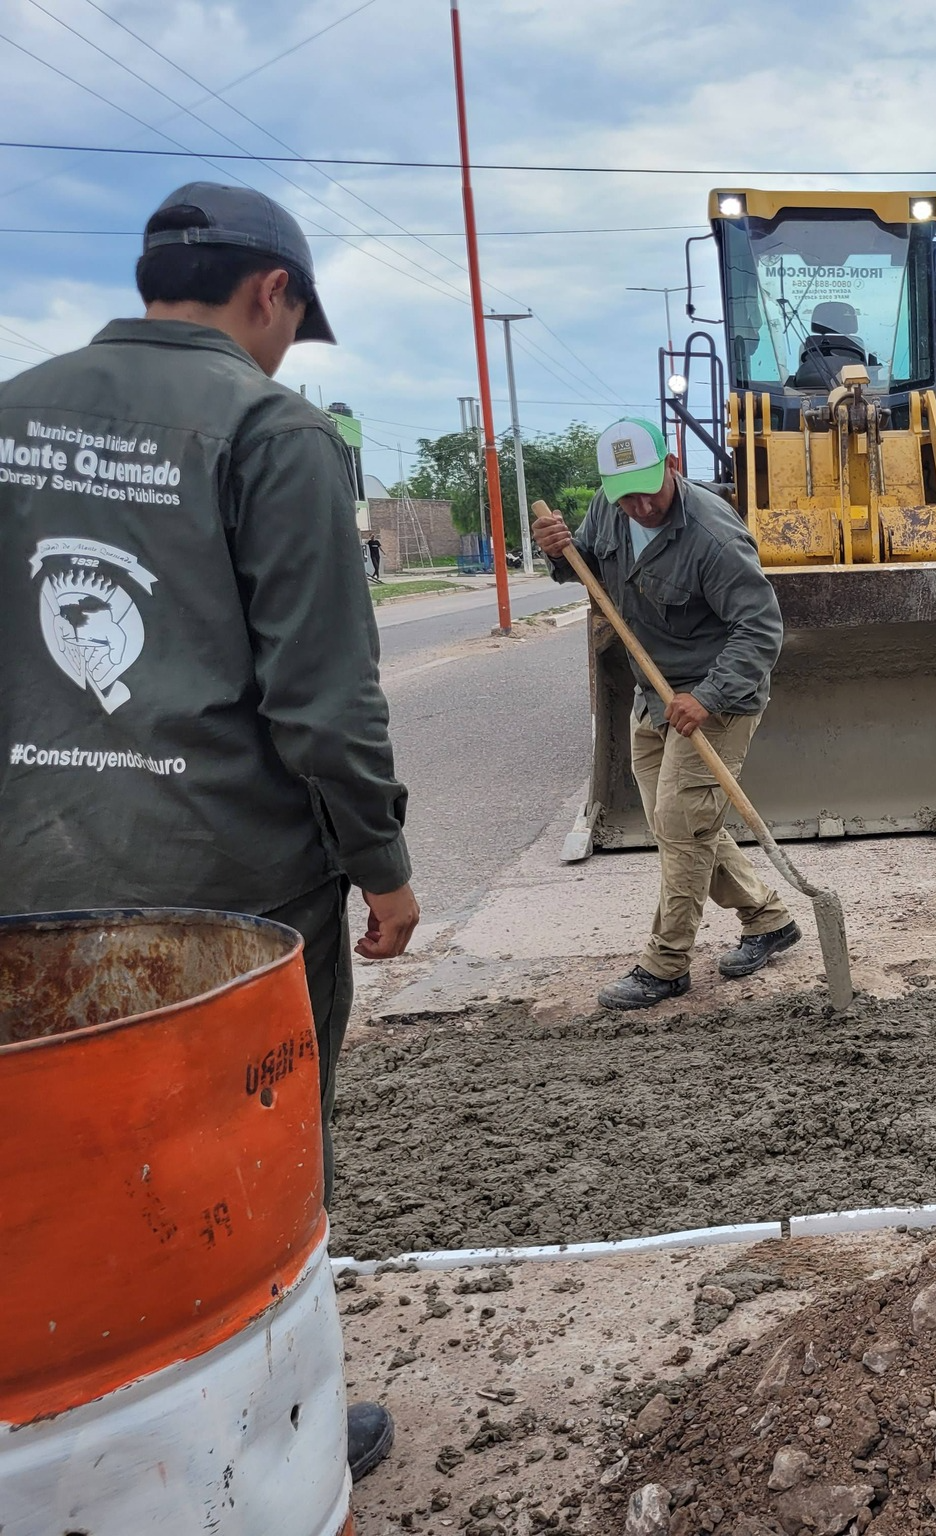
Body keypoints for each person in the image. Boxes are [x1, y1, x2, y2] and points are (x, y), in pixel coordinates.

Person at [0, 182, 416, 1479]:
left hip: (28, 889)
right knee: (241, 1164)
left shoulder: (10, 415)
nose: (286, 347)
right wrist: (382, 865)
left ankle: (70, 1446)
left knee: (49, 1171)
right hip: (231, 902)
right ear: (271, 292)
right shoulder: (271, 432)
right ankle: (256, 1439)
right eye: (293, 322)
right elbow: (324, 706)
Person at [532, 418, 800, 1009]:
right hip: (653, 694)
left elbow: (761, 629)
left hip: (718, 696)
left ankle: (667, 963)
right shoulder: (608, 509)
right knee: (679, 825)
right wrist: (558, 553)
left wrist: (706, 697)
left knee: (682, 827)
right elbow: (589, 570)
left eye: (650, 490)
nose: (641, 506)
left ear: (672, 465)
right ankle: (768, 918)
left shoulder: (712, 535)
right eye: (626, 495)